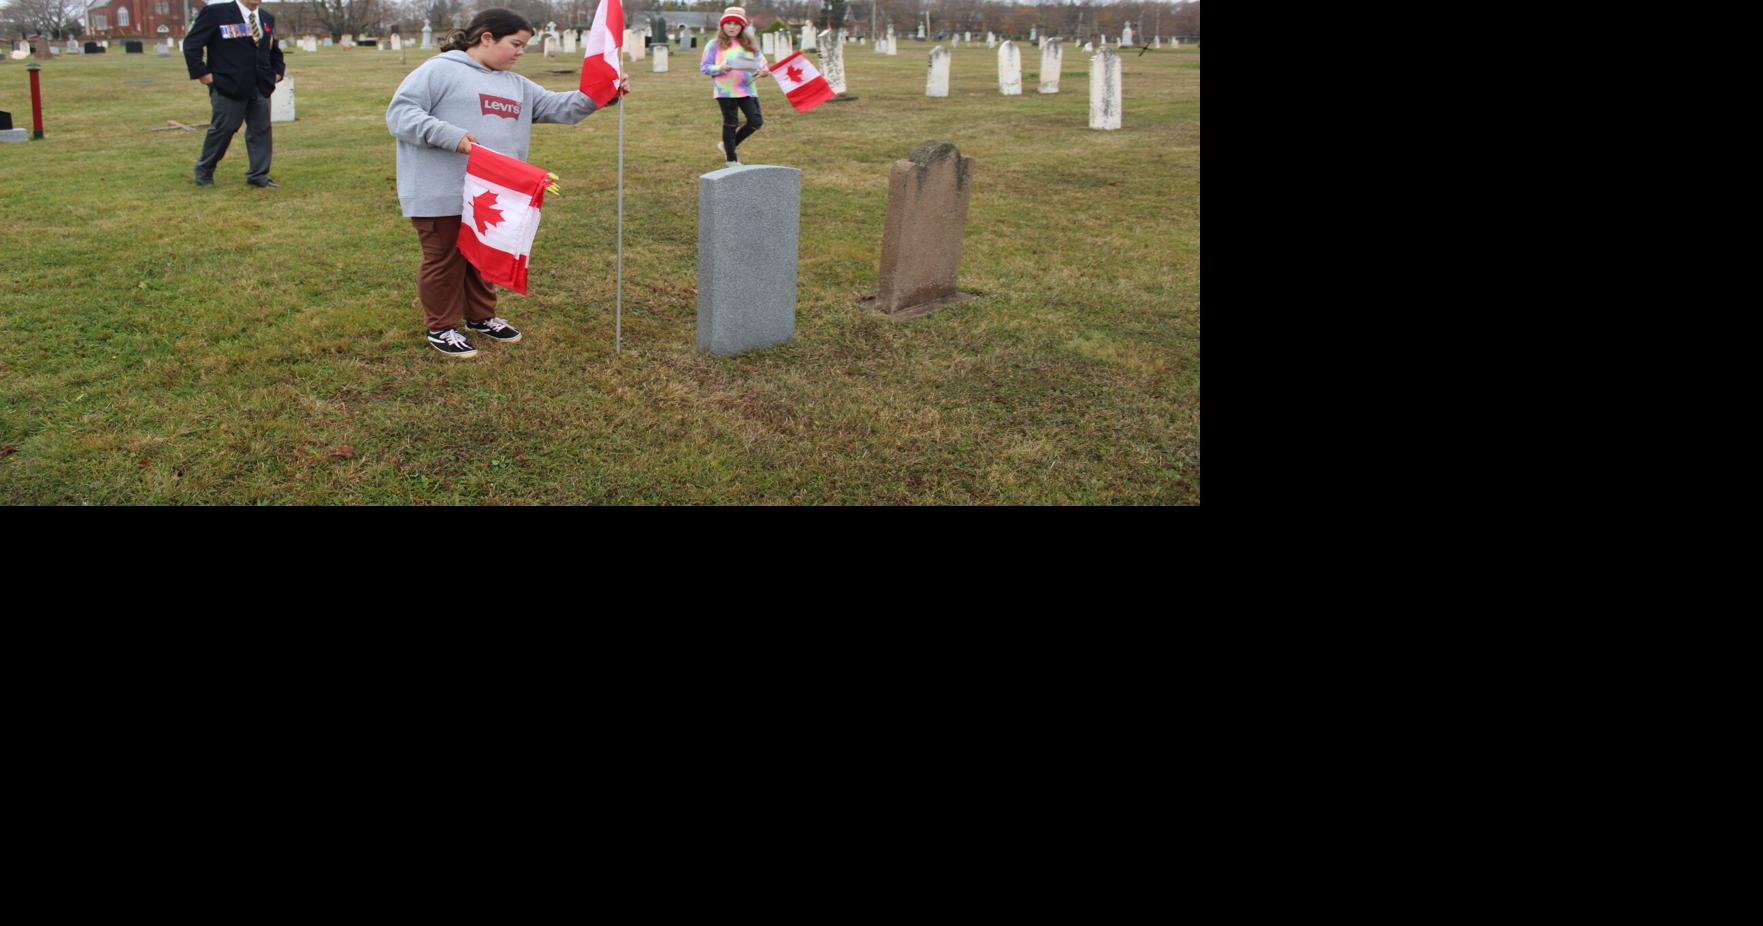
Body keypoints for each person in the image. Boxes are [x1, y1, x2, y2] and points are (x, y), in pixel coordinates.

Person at [386, 8, 622, 358]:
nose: (520, 52)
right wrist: (451, 136)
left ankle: (481, 317)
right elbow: (401, 114)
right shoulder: (439, 71)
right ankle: (442, 326)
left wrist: (604, 92)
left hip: (491, 193)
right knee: (445, 258)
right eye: (515, 44)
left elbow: (561, 107)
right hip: (440, 190)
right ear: (486, 38)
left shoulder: (517, 86)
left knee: (484, 255)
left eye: (523, 46)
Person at [183, 0, 285, 188]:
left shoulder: (266, 18)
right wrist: (203, 74)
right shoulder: (216, 13)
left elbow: (272, 49)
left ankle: (258, 175)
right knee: (224, 129)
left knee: (261, 130)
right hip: (228, 85)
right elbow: (191, 45)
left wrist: (278, 71)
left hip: (260, 84)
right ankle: (204, 169)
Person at [700, 7, 769, 168]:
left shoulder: (749, 44)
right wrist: (719, 68)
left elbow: (761, 62)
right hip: (726, 91)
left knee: (755, 121)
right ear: (723, 26)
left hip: (747, 89)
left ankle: (727, 145)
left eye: (736, 24)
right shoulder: (714, 45)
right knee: (731, 123)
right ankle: (731, 159)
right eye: (728, 23)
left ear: (742, 27)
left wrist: (764, 71)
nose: (732, 27)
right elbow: (704, 67)